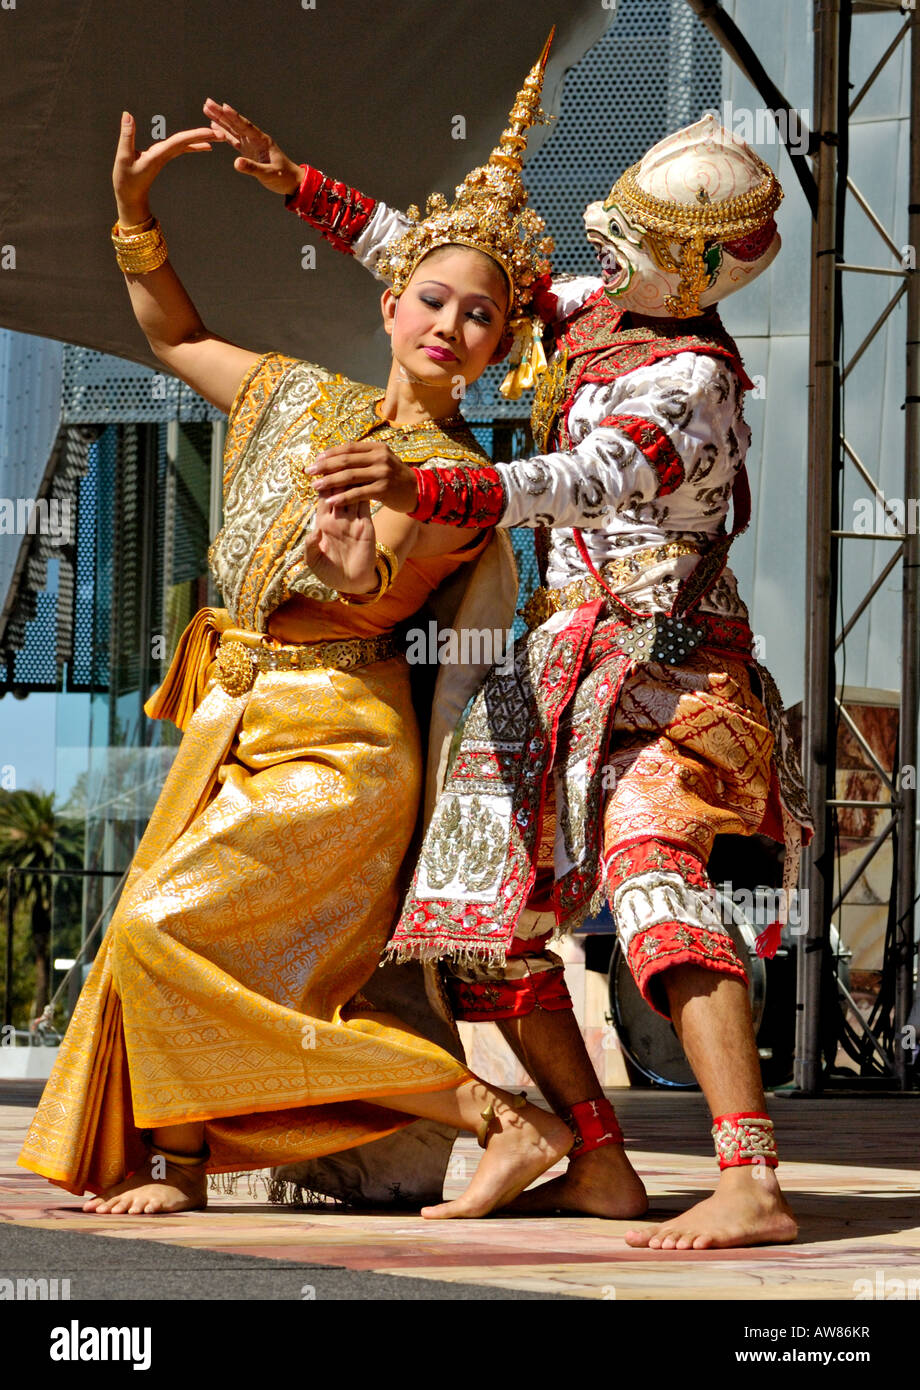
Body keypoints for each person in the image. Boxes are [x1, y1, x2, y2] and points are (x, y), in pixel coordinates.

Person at [17, 47, 578, 1220]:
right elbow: (173, 339)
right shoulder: (293, 395)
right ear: (390, 302)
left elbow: (385, 568)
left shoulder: (461, 481)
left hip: (341, 746)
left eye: (481, 316)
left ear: (499, 349)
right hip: (235, 715)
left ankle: (493, 1117)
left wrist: (355, 560)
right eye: (433, 297)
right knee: (151, 938)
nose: (451, 324)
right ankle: (175, 1166)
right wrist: (134, 220)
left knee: (165, 931)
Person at [251, 112, 815, 1249]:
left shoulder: (690, 384)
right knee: (477, 926)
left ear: (695, 266)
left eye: (637, 239)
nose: (603, 252)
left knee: (651, 877)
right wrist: (301, 183)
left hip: (670, 670)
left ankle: (748, 1174)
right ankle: (598, 1158)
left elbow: (579, 477)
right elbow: (452, 270)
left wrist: (424, 481)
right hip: (559, 665)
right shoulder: (599, 314)